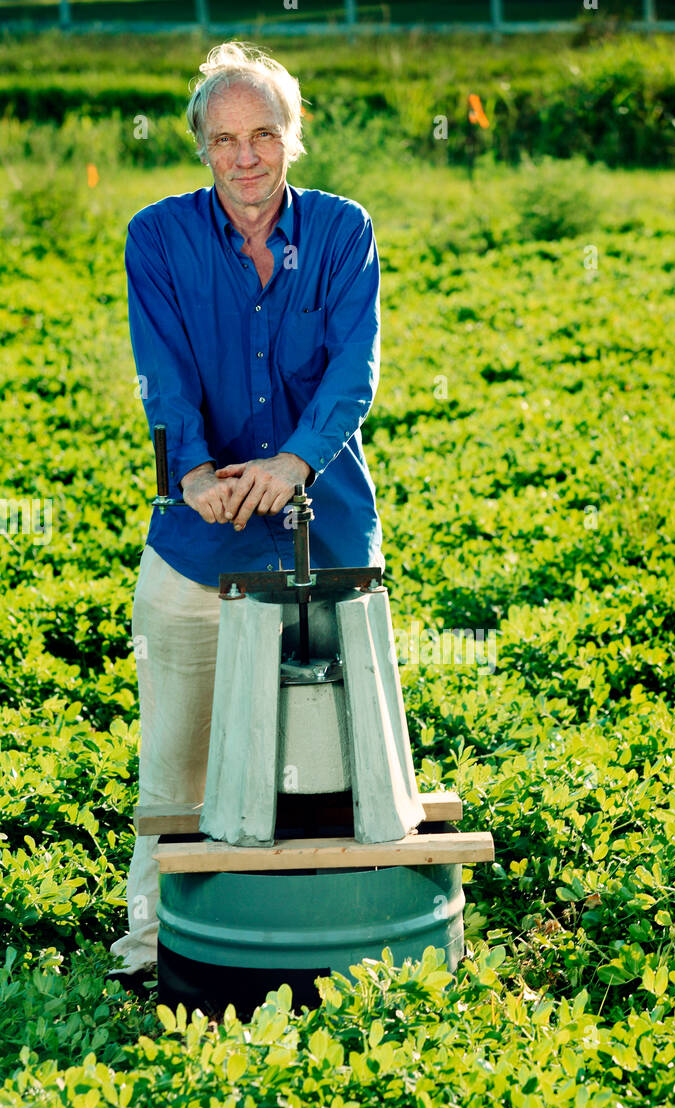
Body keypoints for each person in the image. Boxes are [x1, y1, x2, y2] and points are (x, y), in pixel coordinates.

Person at [109, 41, 383, 985]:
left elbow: (354, 373)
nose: (246, 157)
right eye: (224, 139)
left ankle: (348, 939)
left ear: (293, 138)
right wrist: (189, 471)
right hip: (199, 538)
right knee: (175, 756)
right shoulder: (160, 237)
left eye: (264, 134)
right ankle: (151, 938)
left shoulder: (344, 233)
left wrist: (295, 460)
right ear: (202, 149)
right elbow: (163, 370)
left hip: (326, 539)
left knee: (340, 759)